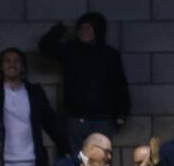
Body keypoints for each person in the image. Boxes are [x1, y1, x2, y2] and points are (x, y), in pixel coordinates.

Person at [38, 12, 131, 148]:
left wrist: (123, 113)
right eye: (81, 28)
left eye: (88, 28)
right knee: (78, 160)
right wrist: (60, 28)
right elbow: (45, 46)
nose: (84, 31)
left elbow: (119, 85)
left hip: (103, 119)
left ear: (97, 30)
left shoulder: (109, 55)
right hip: (76, 119)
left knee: (101, 160)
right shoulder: (71, 50)